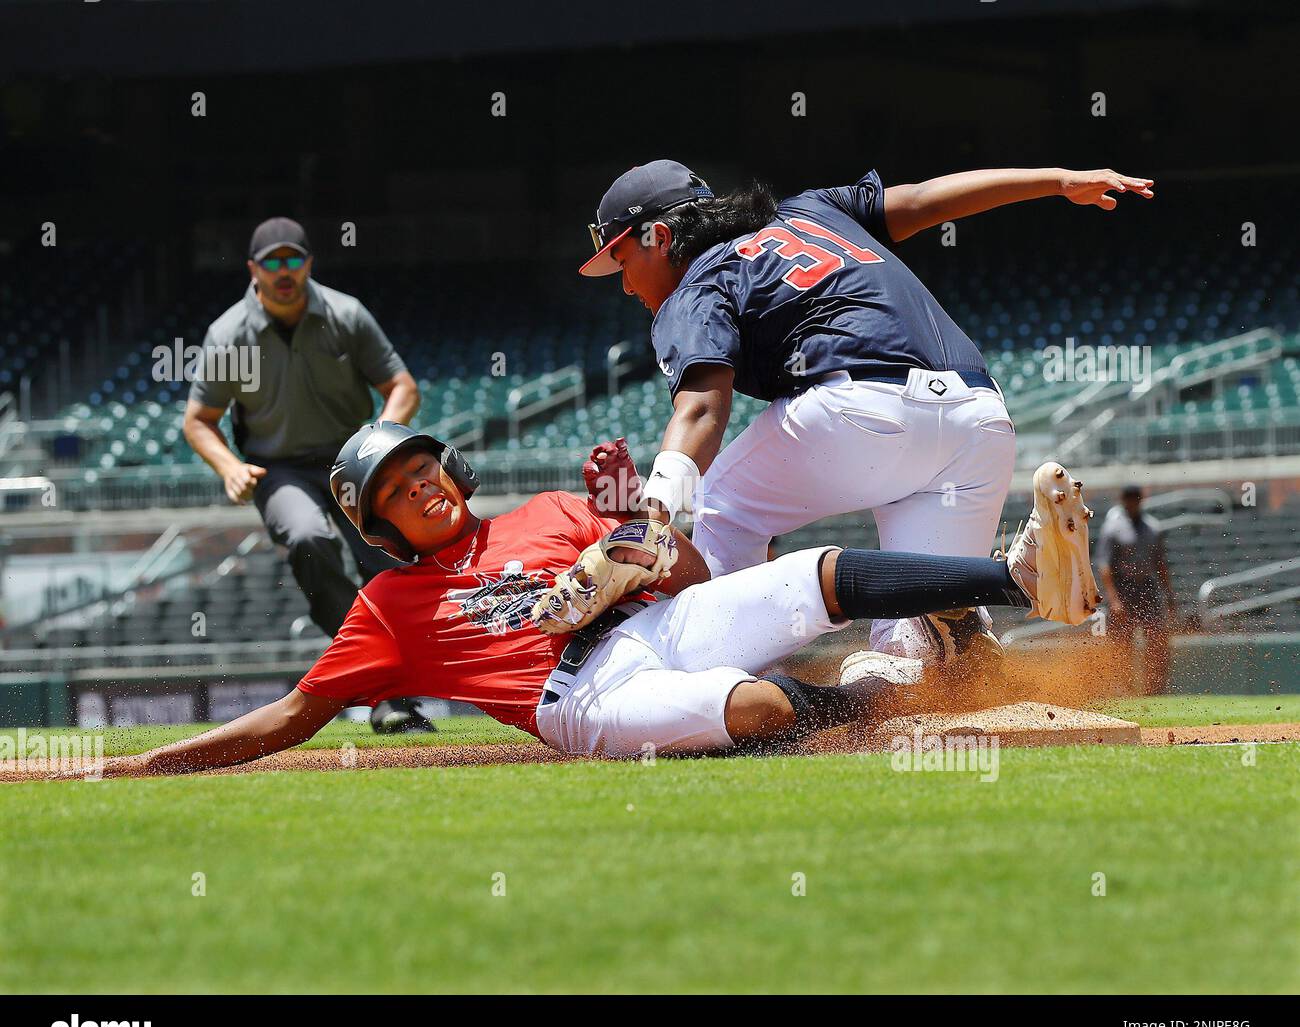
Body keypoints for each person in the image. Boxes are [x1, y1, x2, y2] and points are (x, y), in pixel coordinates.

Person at [84, 423, 1099, 778]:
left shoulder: (552, 509)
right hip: (581, 702)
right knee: (758, 711)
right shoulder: (390, 606)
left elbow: (698, 578)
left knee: (820, 573)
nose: (421, 486)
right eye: (396, 490)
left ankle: (1013, 580)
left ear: (454, 467)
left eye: (423, 467)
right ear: (380, 525)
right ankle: (893, 706)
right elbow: (298, 713)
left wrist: (635, 540)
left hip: (651, 620)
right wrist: (160, 759)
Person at [577, 160, 1151, 665]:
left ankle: (728, 674)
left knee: (723, 508)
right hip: (979, 422)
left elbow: (703, 405)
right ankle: (1015, 582)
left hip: (860, 415)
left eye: (622, 258)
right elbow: (926, 200)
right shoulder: (812, 210)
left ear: (657, 235)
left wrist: (653, 511)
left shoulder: (695, 286)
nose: (624, 285)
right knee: (911, 641)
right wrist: (1058, 181)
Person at [182, 216, 428, 731]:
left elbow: (402, 386)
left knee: (384, 565)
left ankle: (391, 695)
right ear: (253, 269)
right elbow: (199, 422)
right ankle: (380, 683)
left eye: (293, 258)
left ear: (310, 262)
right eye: (272, 262)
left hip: (354, 462)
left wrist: (380, 437)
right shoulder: (227, 336)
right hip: (278, 470)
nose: (284, 270)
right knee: (308, 538)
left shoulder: (346, 314)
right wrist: (228, 466)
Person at [1097, 485, 1177, 695]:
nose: (1133, 502)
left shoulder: (1152, 527)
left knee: (1157, 638)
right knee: (1123, 643)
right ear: (1123, 500)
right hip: (1124, 588)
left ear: (1141, 500)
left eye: (1136, 498)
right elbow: (1104, 566)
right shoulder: (1113, 527)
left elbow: (1160, 563)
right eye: (1129, 498)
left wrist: (1169, 595)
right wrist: (1114, 600)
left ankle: (1155, 688)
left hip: (1147, 587)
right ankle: (1125, 688)